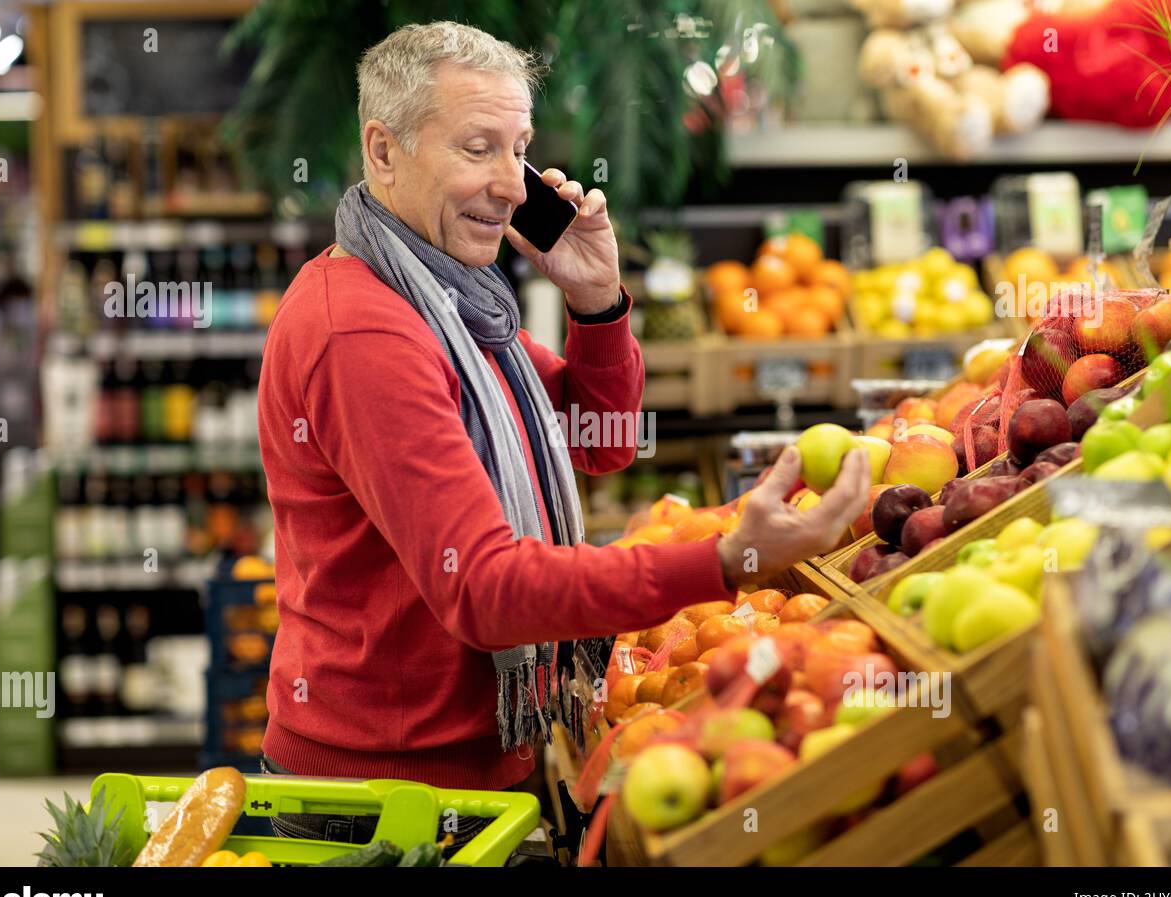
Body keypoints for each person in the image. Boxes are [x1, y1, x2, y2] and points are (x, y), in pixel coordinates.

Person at [256, 22, 868, 842]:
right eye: (478, 148)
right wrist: (722, 562)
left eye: (520, 150)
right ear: (383, 151)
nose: (513, 186)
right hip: (383, 805)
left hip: (465, 774)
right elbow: (482, 588)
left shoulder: (452, 307)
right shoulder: (365, 330)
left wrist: (597, 299)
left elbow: (599, 437)